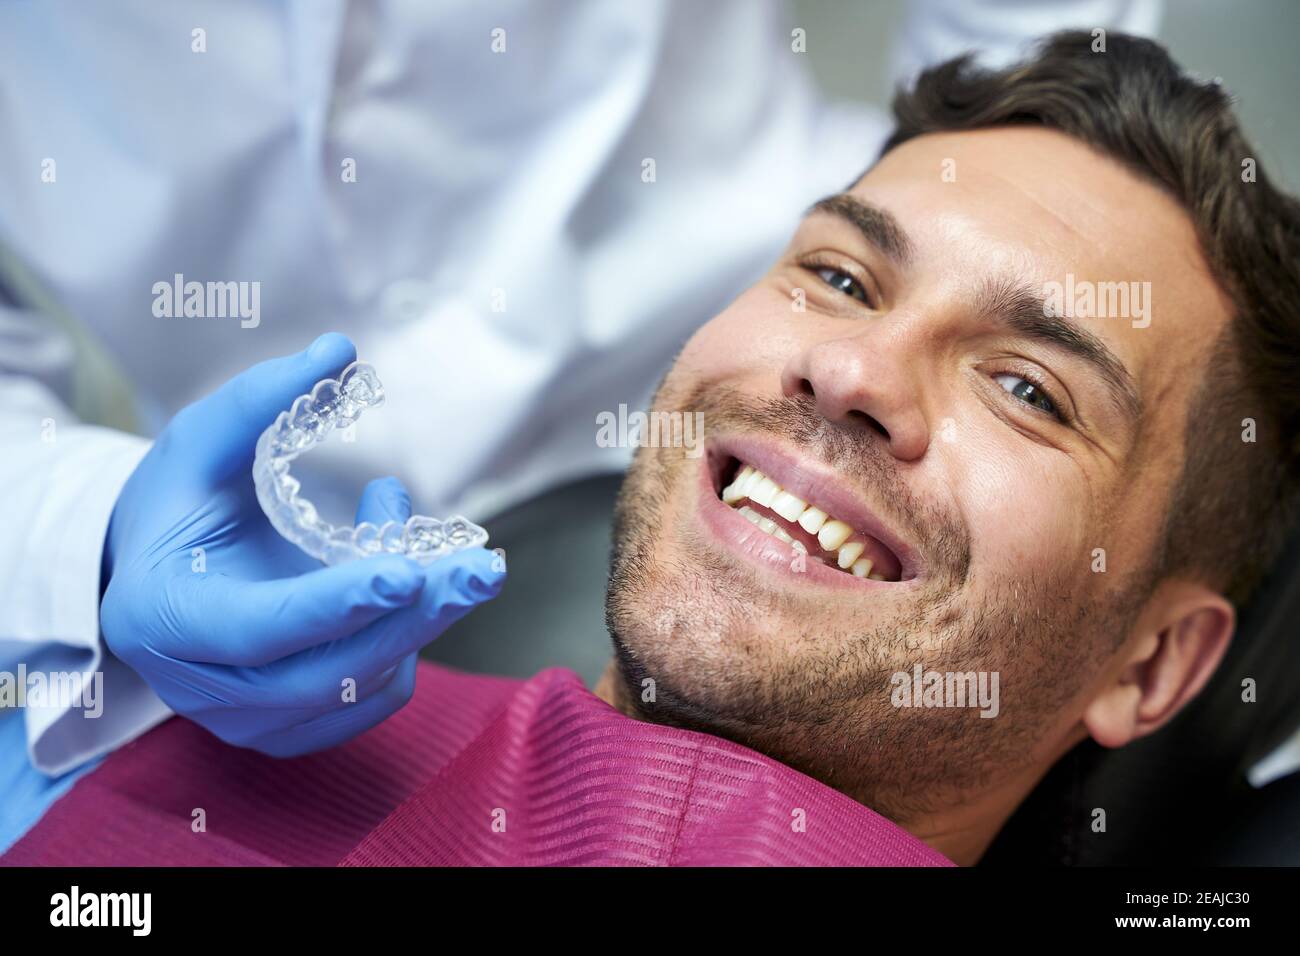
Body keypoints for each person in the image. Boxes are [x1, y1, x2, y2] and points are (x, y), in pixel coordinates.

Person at [6, 29, 1296, 866]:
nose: (848, 371)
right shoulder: (110, 755)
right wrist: (95, 532)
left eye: (1025, 386)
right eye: (841, 279)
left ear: (1155, 663)